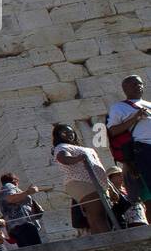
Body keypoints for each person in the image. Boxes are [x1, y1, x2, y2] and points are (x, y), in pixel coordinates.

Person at [51, 124, 113, 234]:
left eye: (71, 132)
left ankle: (101, 241)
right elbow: (63, 158)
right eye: (65, 132)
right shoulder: (61, 147)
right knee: (99, 214)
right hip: (83, 182)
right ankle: (112, 240)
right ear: (58, 135)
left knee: (93, 215)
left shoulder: (80, 147)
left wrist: (110, 187)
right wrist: (78, 158)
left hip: (96, 182)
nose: (69, 134)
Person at [107, 74, 151, 203]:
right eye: (134, 84)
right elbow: (113, 131)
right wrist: (135, 117)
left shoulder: (148, 104)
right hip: (143, 149)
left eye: (140, 83)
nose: (138, 86)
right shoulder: (119, 107)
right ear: (125, 88)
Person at [0, 173, 47, 247]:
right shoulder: (9, 186)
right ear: (15, 180)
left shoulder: (8, 188)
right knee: (36, 250)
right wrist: (28, 192)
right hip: (22, 224)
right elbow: (11, 198)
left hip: (18, 226)